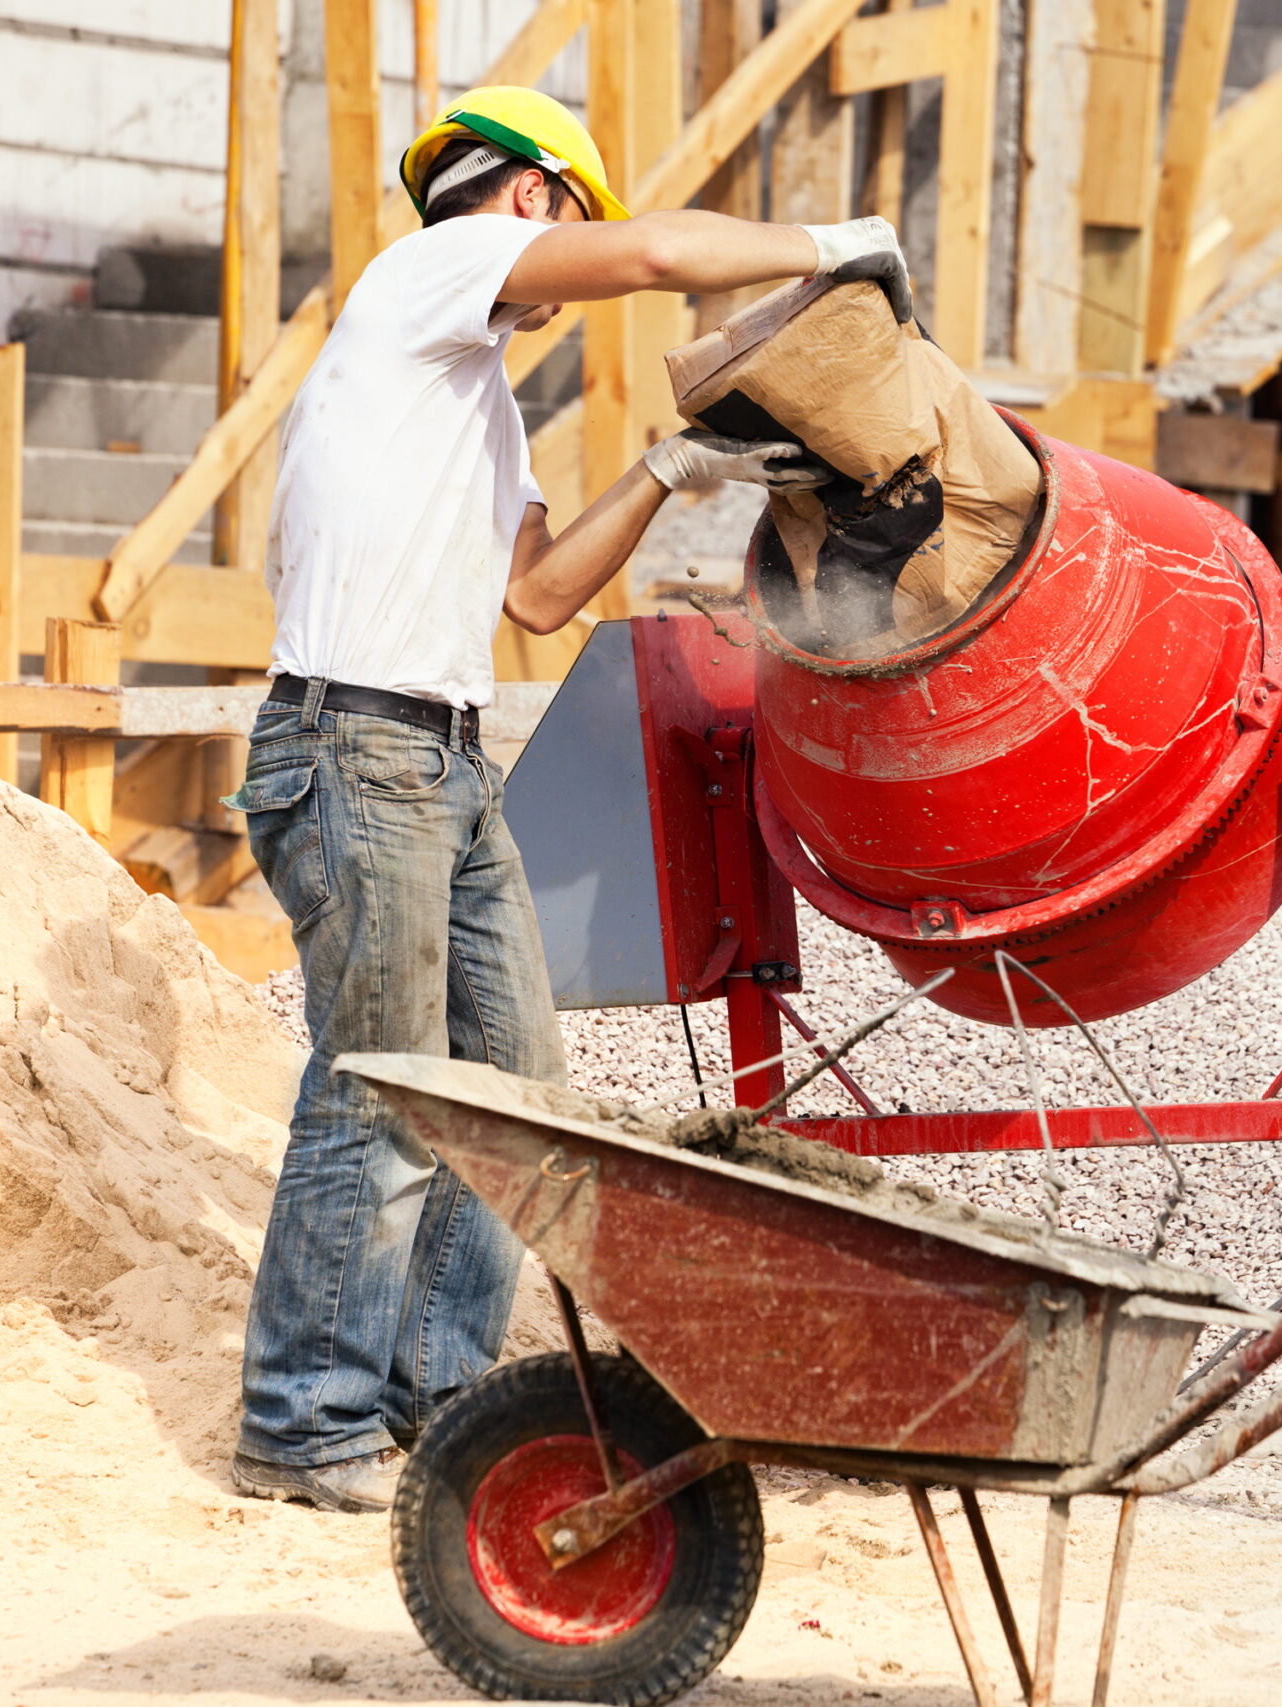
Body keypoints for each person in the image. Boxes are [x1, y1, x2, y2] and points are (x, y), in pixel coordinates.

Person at [227, 86, 910, 1512]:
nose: (569, 274)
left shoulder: (469, 408)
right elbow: (658, 259)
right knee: (385, 1091)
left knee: (517, 1100)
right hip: (356, 747)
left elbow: (538, 597)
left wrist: (671, 472)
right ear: (530, 199)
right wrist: (835, 243)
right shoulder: (426, 276)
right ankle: (303, 1427)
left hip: (444, 763)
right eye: (574, 225)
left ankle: (433, 1402)